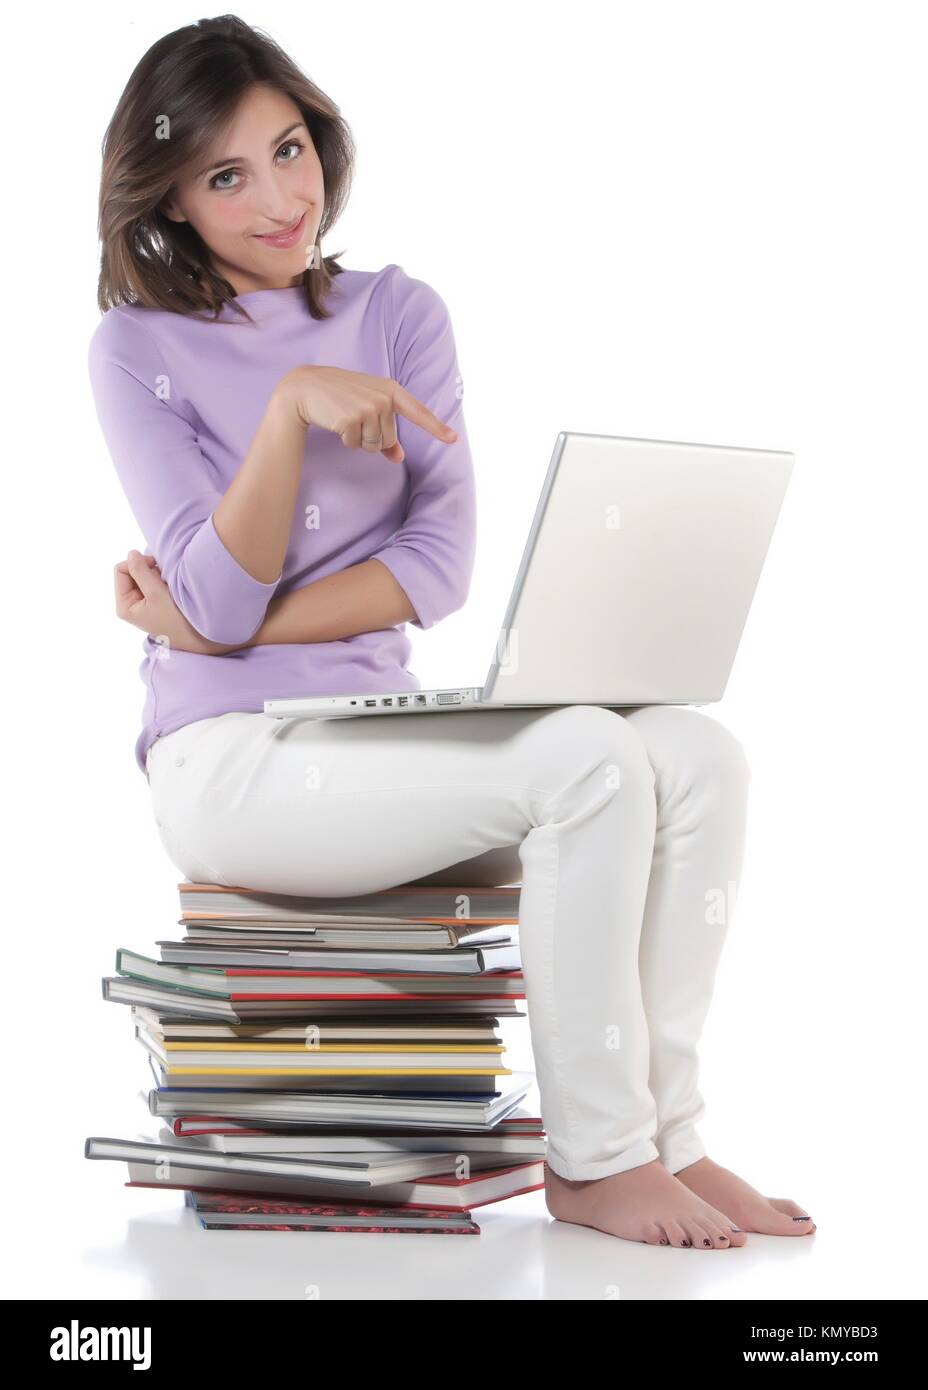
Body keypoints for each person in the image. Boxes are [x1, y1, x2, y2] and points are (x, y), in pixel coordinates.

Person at [89, 15, 814, 1248]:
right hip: (231, 762)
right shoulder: (134, 348)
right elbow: (211, 599)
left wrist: (218, 630)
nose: (279, 198)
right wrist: (286, 420)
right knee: (586, 755)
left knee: (695, 754)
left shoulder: (399, 312)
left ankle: (672, 1136)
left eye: (288, 148)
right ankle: (594, 1162)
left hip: (367, 734)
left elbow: (437, 563)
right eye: (226, 174)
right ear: (168, 196)